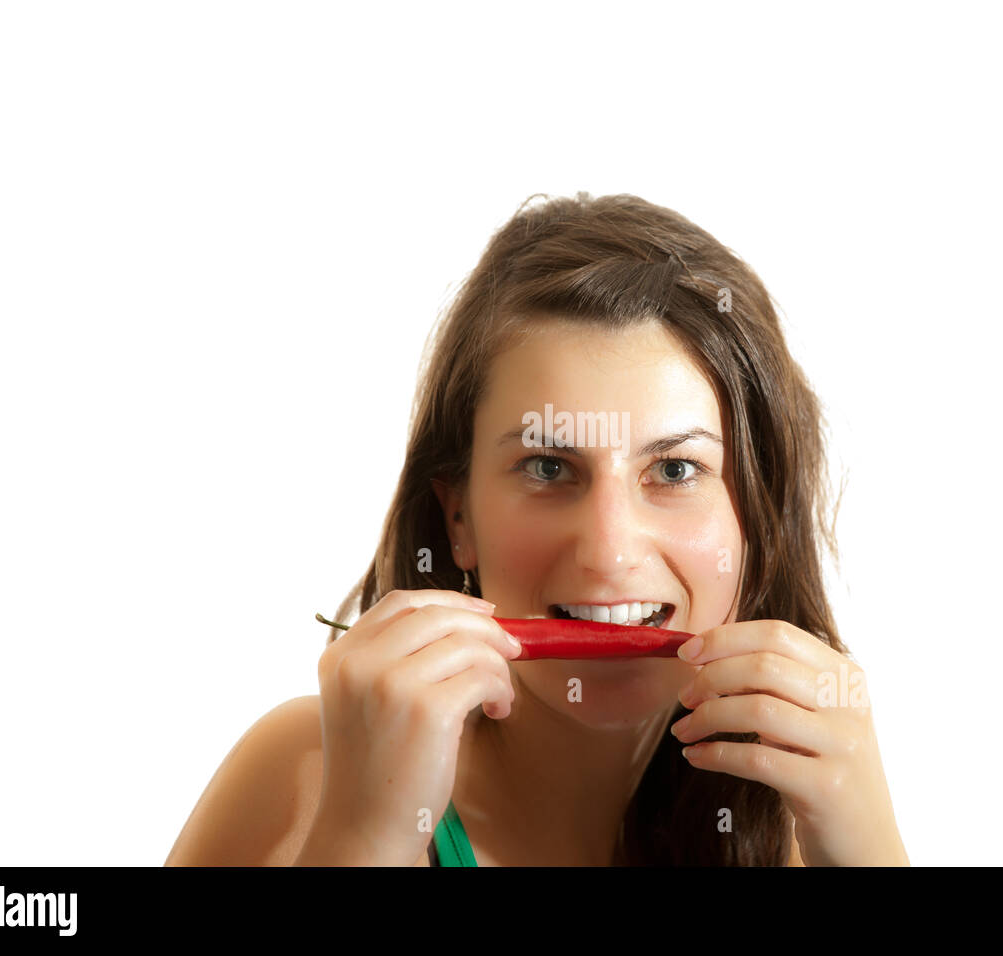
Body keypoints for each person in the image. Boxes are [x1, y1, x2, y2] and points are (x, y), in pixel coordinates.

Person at [164, 192, 909, 867]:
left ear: (755, 514)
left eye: (675, 470)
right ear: (459, 519)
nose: (610, 552)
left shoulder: (800, 824)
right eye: (549, 468)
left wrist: (872, 853)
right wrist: (368, 835)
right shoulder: (304, 777)